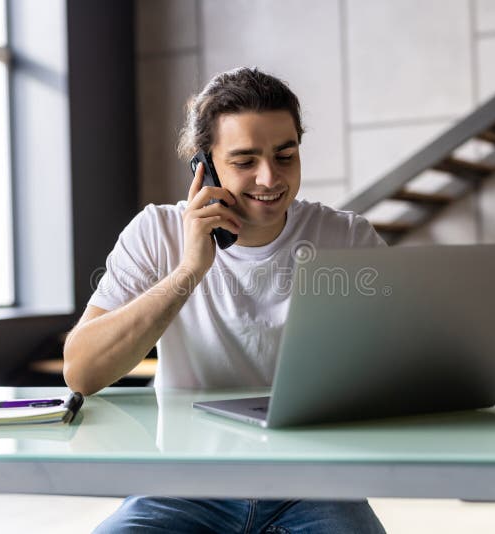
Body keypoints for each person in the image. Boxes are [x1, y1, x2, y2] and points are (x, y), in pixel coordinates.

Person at [63, 67, 387, 533]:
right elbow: (81, 370)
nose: (269, 177)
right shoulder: (156, 233)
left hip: (315, 484)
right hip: (184, 483)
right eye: (244, 161)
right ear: (205, 166)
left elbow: (398, 367)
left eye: (285, 154)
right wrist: (188, 271)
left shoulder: (347, 237)